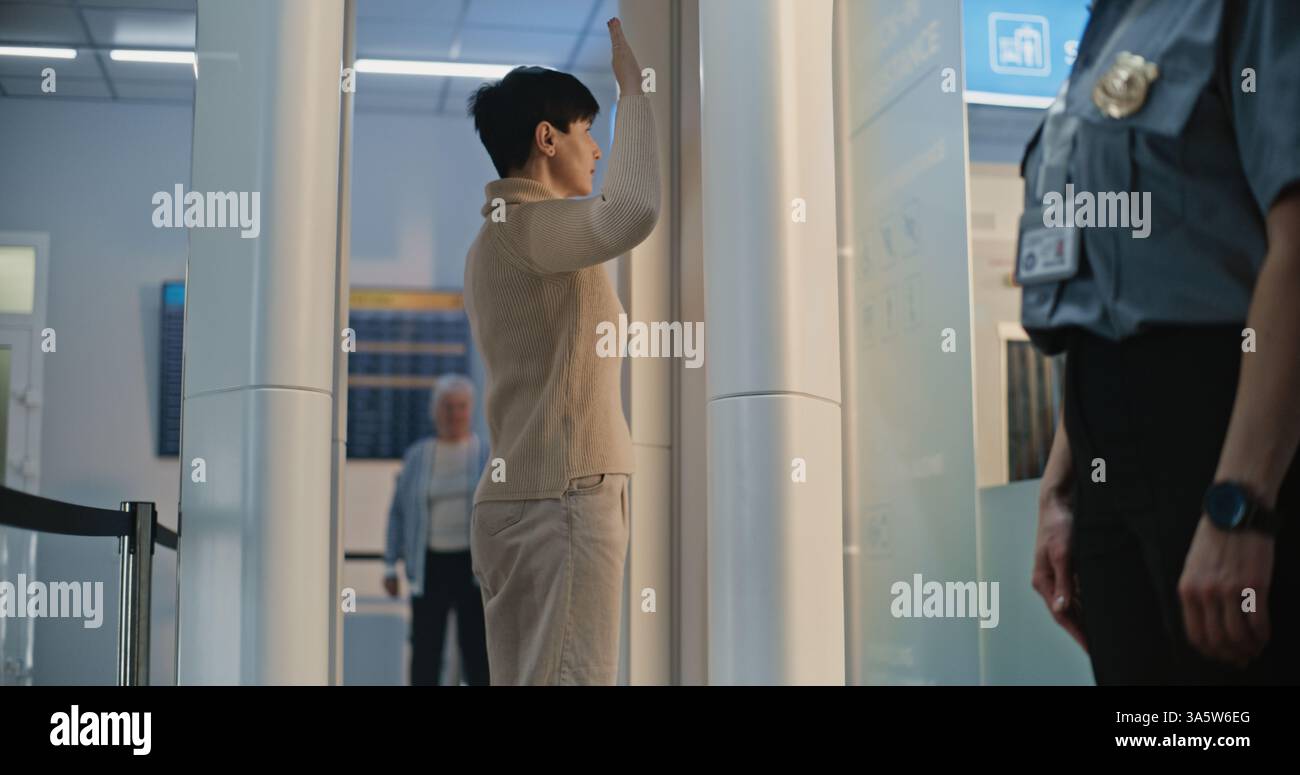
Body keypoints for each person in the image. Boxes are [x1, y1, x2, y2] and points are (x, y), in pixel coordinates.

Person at [1025, 0, 1300, 684]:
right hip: (1106, 449)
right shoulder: (1108, 26)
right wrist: (1062, 484)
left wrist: (1242, 504)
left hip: (1223, 432)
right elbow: (1106, 292)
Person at [462, 17, 659, 685]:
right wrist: (636, 88)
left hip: (529, 502)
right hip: (563, 500)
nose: (598, 150)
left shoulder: (494, 237)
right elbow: (630, 209)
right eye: (586, 131)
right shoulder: (528, 226)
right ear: (547, 139)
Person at [383, 374, 491, 686]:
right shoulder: (418, 456)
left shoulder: (485, 455)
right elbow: (398, 513)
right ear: (434, 411)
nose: (453, 414)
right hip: (430, 564)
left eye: (460, 407)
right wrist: (390, 565)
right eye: (446, 406)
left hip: (473, 566)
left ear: (470, 411)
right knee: (426, 649)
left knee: (477, 650)